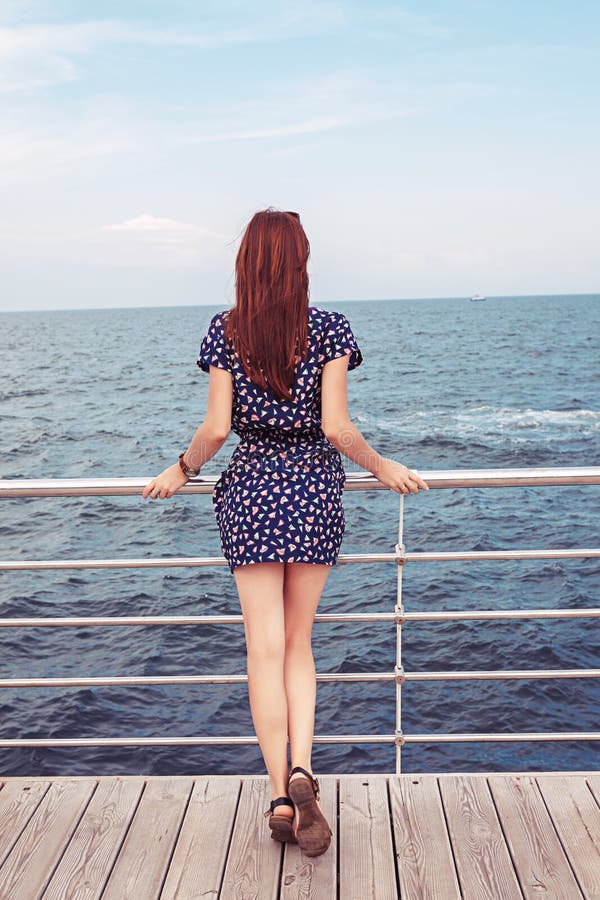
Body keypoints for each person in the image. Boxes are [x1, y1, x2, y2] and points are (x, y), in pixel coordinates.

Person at [142, 207, 429, 857]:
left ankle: (277, 794)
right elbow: (337, 428)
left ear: (246, 262)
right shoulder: (329, 329)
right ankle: (304, 768)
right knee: (299, 645)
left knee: (262, 651)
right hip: (312, 492)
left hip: (250, 495)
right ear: (299, 262)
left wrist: (180, 469)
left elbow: (216, 432)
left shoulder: (227, 330)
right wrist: (383, 468)